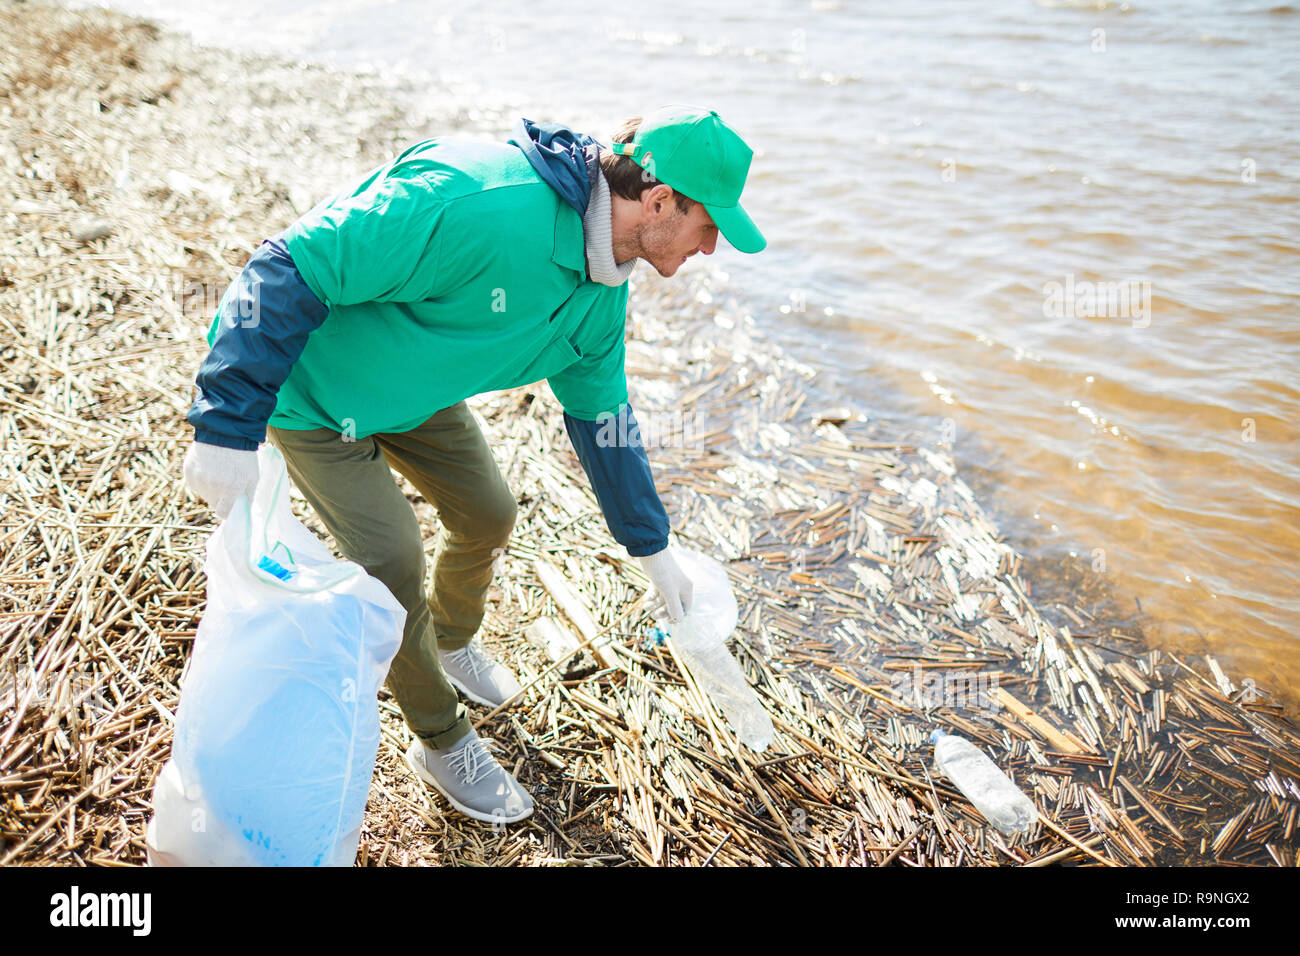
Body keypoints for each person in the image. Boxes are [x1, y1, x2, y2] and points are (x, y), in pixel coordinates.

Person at [181, 105, 766, 825]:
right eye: (710, 226)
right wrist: (227, 423)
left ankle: (451, 638)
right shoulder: (475, 199)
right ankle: (440, 737)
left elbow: (603, 424)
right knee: (391, 557)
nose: (711, 249)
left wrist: (654, 547)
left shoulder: (602, 294)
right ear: (658, 200)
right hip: (313, 391)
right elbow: (287, 265)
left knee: (490, 512)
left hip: (414, 393)